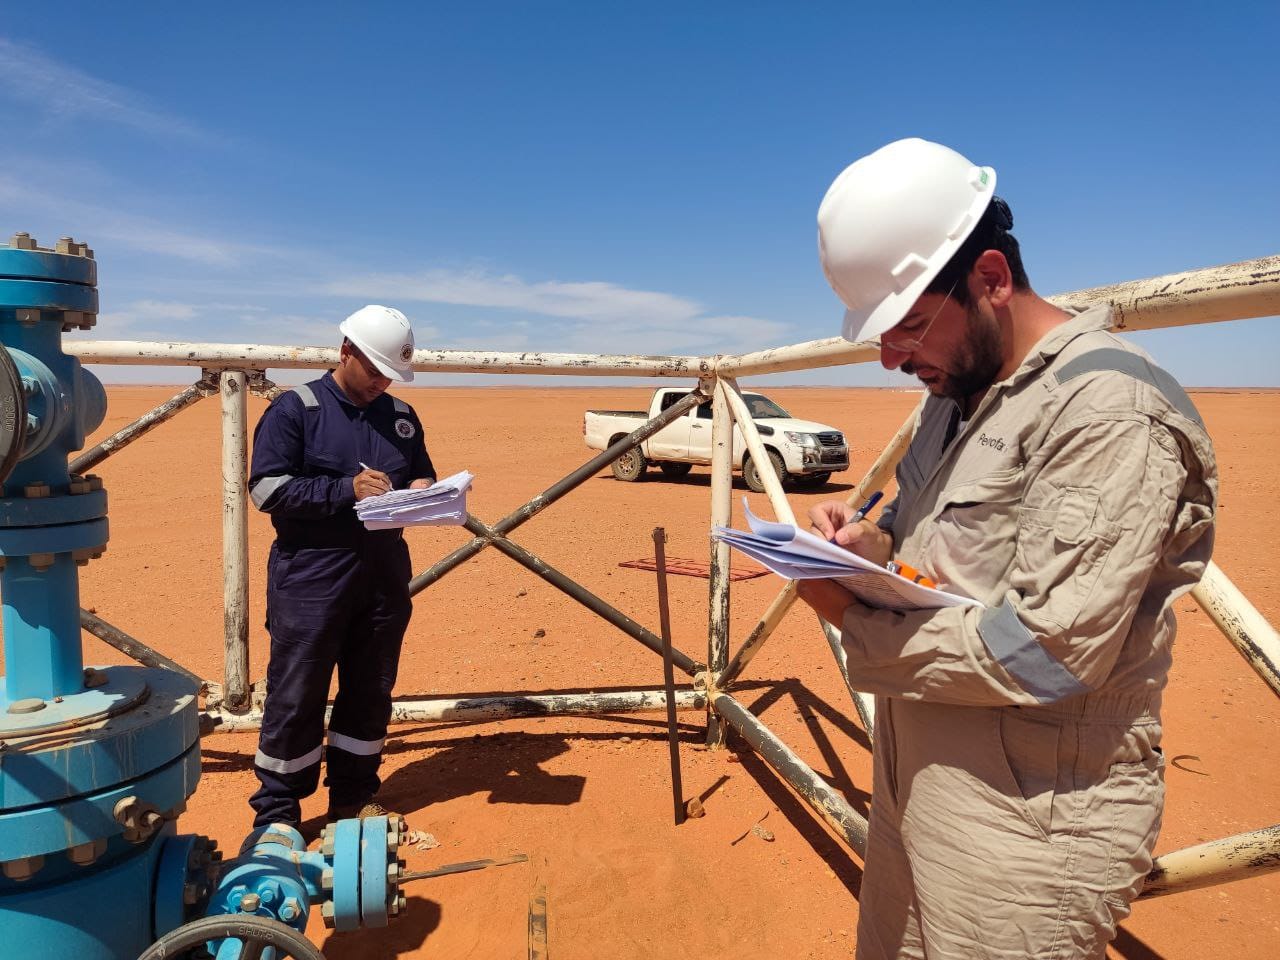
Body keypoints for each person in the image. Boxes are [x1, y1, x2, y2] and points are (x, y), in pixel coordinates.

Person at [798, 138, 1217, 959]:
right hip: (916, 781)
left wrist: (852, 616)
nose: (891, 358)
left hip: (1025, 827)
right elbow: (925, 531)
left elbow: (1048, 653)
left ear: (990, 279)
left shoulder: (1108, 412)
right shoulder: (958, 392)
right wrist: (864, 542)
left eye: (909, 326)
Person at [247, 304, 437, 828]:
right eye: (374, 370)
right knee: (298, 690)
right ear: (345, 352)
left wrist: (426, 492)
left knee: (370, 687)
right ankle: (278, 812)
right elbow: (265, 489)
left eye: (390, 375)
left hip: (382, 575)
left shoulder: (399, 417)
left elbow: (420, 472)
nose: (381, 383)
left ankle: (352, 798)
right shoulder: (297, 409)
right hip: (312, 575)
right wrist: (343, 490)